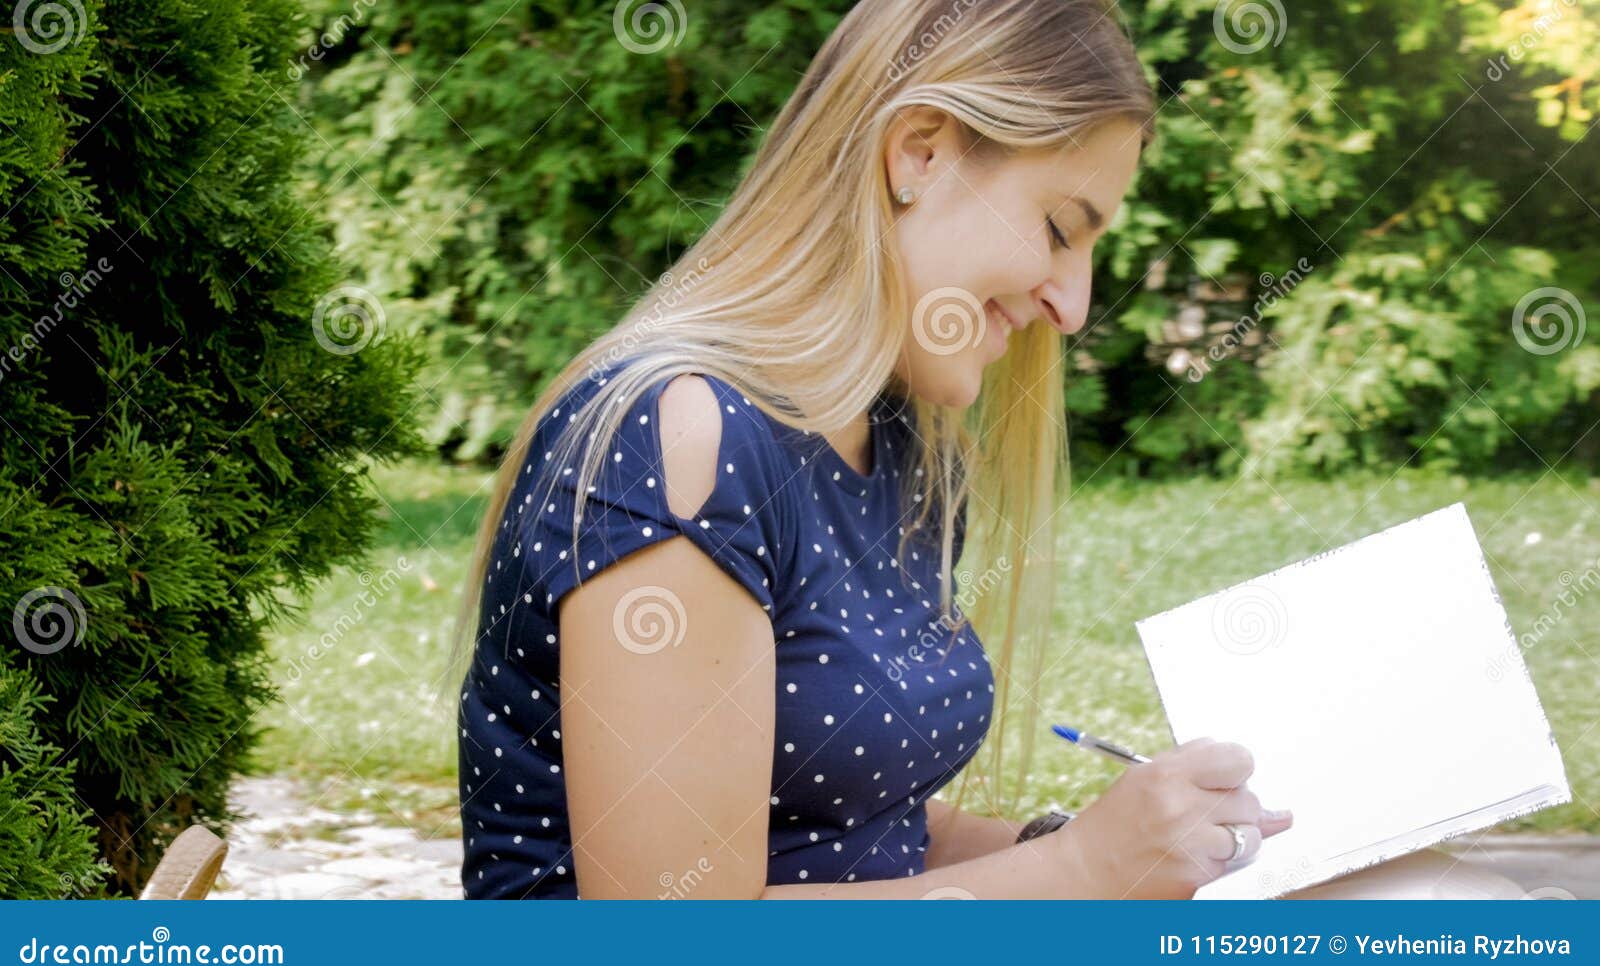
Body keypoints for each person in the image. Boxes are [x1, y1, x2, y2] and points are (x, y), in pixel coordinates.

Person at [448, 0, 1511, 900]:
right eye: (1060, 228)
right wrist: (1082, 873)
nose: (1075, 302)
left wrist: (1121, 844)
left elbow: (857, 829)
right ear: (918, 152)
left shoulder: (900, 442)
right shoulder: (682, 436)